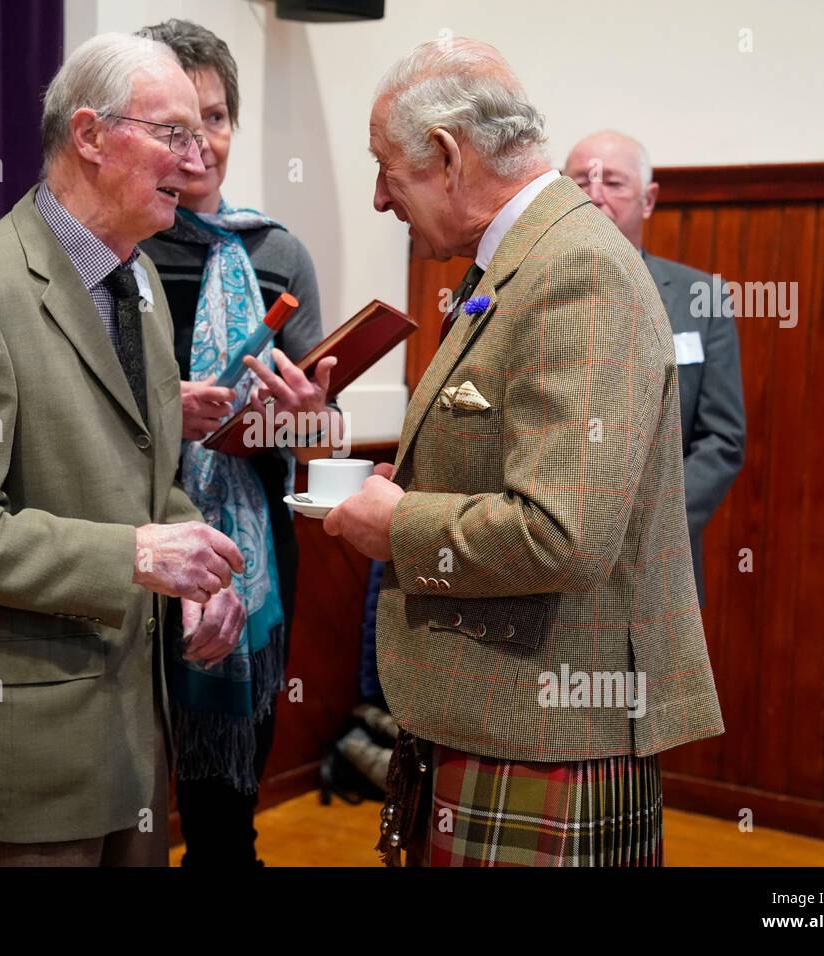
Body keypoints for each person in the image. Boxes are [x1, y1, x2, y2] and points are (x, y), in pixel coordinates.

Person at [327, 38, 723, 866]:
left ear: (444, 154)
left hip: (541, 722)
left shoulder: (574, 267)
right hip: (507, 712)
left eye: (383, 168)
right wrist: (427, 487)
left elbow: (559, 531)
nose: (377, 198)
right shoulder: (525, 258)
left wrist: (400, 523)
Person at [0, 33, 246, 867]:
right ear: (89, 135)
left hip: (135, 739)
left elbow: (152, 479)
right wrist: (133, 555)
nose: (196, 164)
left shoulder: (143, 278)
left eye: (202, 137)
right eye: (174, 135)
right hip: (29, 748)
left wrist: (199, 576)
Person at [136, 18, 341, 868]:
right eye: (175, 127)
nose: (200, 146)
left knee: (226, 823)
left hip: (253, 553)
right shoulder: (116, 249)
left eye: (216, 120)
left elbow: (323, 426)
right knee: (134, 808)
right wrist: (160, 407)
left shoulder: (278, 252)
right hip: (136, 544)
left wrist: (298, 417)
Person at [564, 131, 746, 606]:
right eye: (581, 181)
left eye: (614, 183)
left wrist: (645, 523)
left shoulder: (700, 300)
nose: (595, 196)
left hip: (661, 569)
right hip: (550, 564)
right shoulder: (533, 290)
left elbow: (722, 439)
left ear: (648, 200)